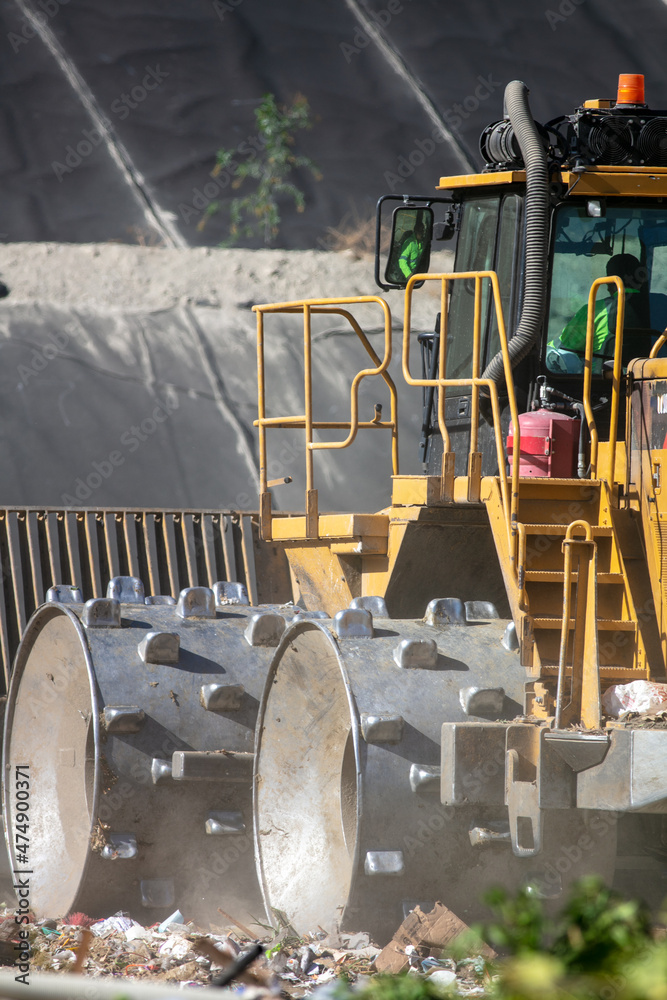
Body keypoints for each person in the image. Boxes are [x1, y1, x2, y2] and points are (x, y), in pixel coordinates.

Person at [547, 253, 646, 374]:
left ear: (610, 281)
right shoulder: (660, 307)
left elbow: (564, 347)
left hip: (600, 384)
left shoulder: (595, 310)